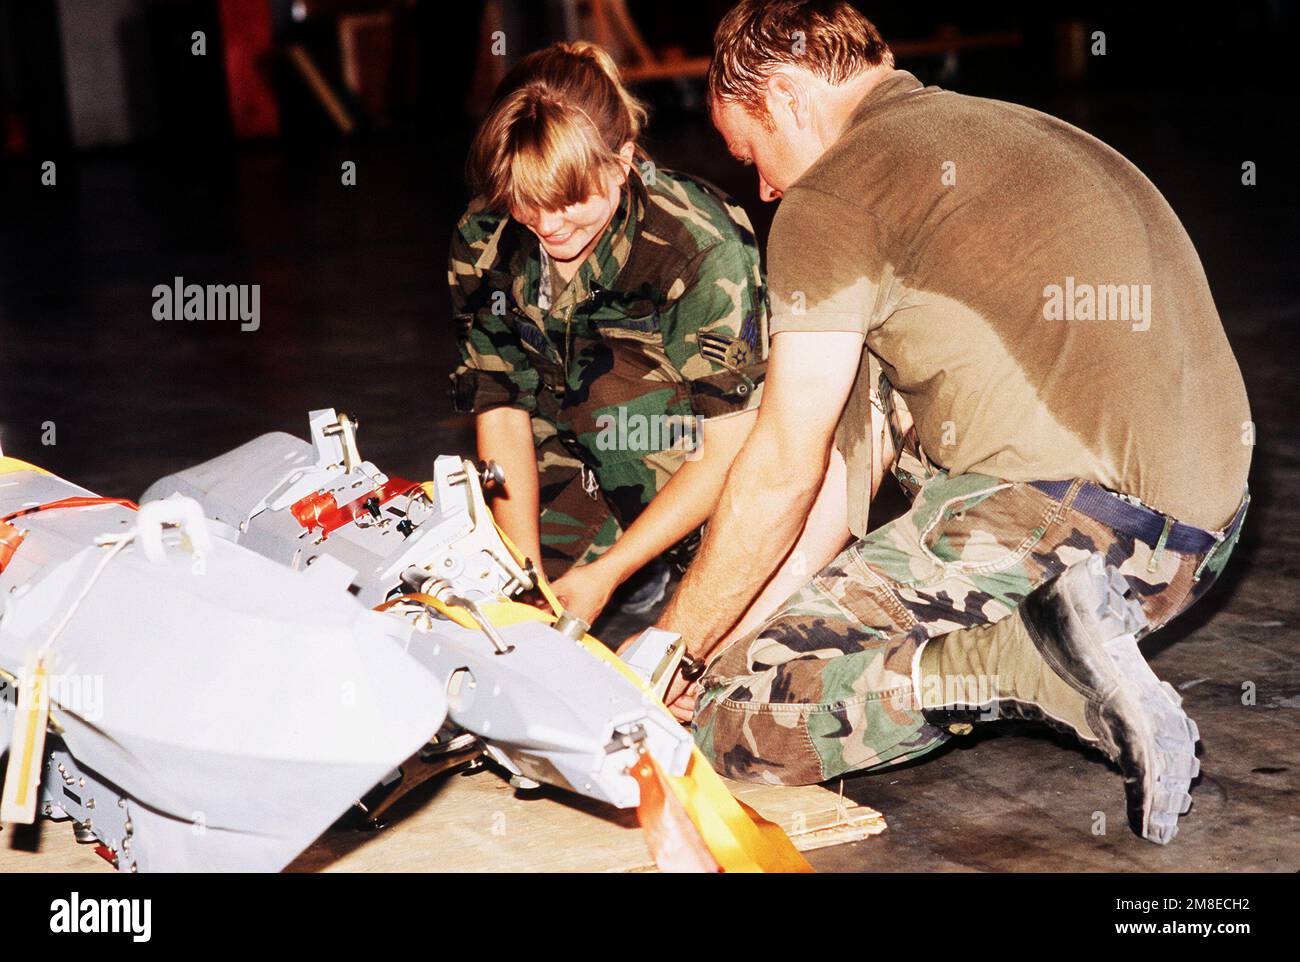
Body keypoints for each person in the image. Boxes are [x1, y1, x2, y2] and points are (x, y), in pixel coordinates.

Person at [651, 0, 1251, 845]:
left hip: (1061, 518)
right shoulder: (1017, 128)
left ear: (785, 96)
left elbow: (785, 464)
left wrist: (669, 658)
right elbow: (829, 485)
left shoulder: (835, 193)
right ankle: (1062, 629)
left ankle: (1016, 663)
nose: (766, 188)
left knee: (735, 719)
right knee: (751, 652)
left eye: (753, 154)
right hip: (1196, 543)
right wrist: (729, 639)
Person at [448, 41, 848, 625]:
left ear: (623, 159)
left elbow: (731, 441)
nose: (548, 224)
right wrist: (524, 577)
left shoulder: (701, 243)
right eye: (526, 200)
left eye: (569, 199)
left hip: (680, 456)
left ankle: (652, 556)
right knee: (494, 605)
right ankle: (620, 561)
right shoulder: (483, 233)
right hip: (562, 451)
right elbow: (500, 407)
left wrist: (607, 572)